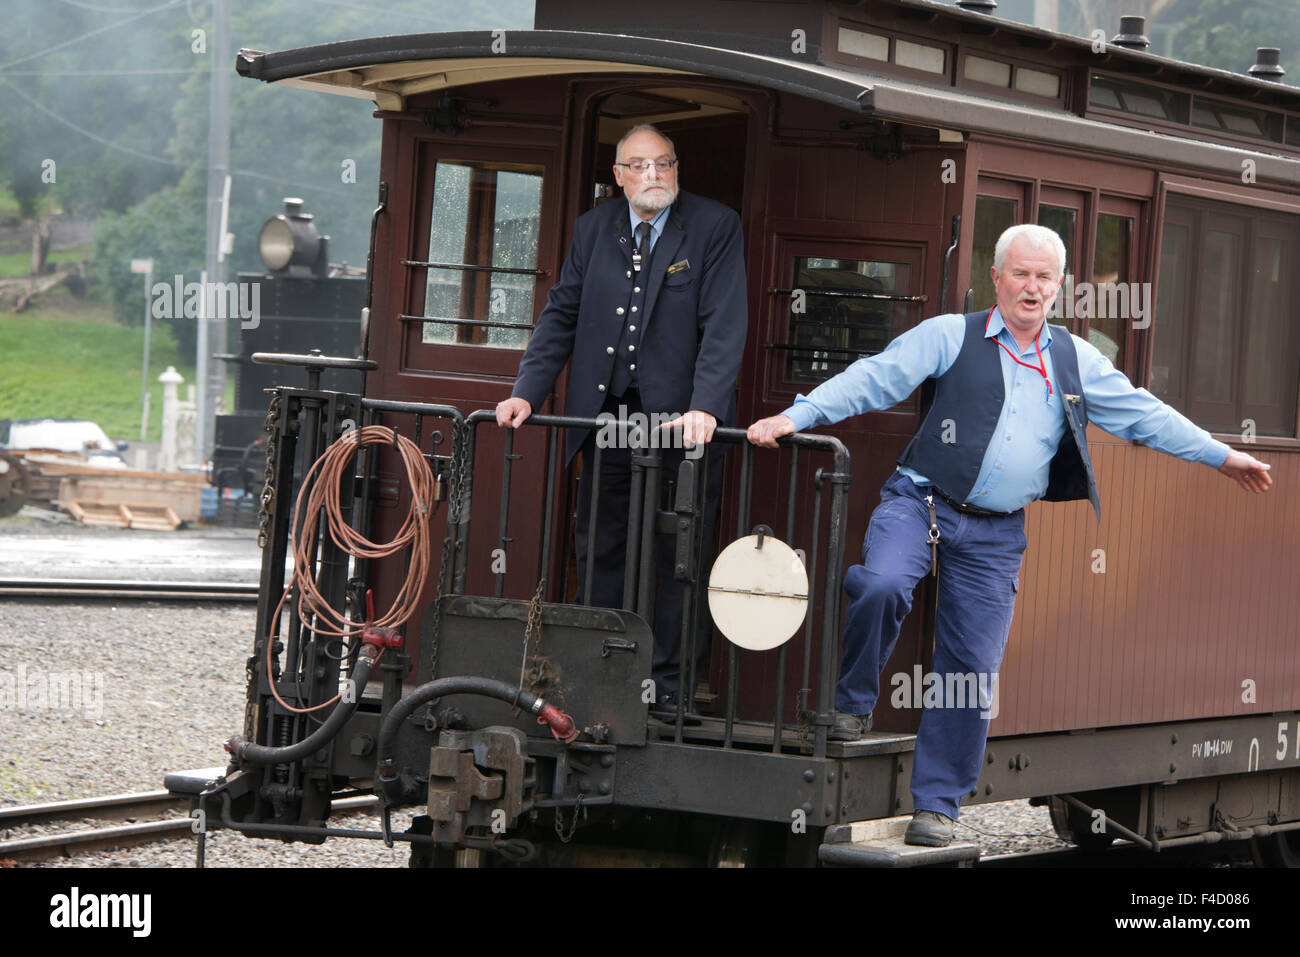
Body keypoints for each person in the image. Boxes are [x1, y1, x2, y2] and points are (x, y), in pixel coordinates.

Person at [747, 224, 1272, 847]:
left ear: (1059, 287)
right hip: (921, 502)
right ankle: (853, 704)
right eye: (1019, 274)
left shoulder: (1074, 358)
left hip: (996, 533)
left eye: (1044, 277)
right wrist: (794, 415)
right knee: (882, 583)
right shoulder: (951, 334)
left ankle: (938, 804)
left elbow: (1144, 414)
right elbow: (874, 377)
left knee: (970, 667)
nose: (1031, 287)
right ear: (995, 278)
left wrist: (1221, 457)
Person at [496, 123, 747, 716]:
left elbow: (724, 323)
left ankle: (669, 687)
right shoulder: (594, 227)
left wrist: (705, 407)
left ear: (677, 169)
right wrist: (526, 392)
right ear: (619, 176)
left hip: (683, 423)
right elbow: (562, 312)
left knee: (678, 551)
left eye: (663, 164)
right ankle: (593, 675)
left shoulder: (714, 226)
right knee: (600, 542)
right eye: (639, 166)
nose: (652, 176)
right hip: (606, 416)